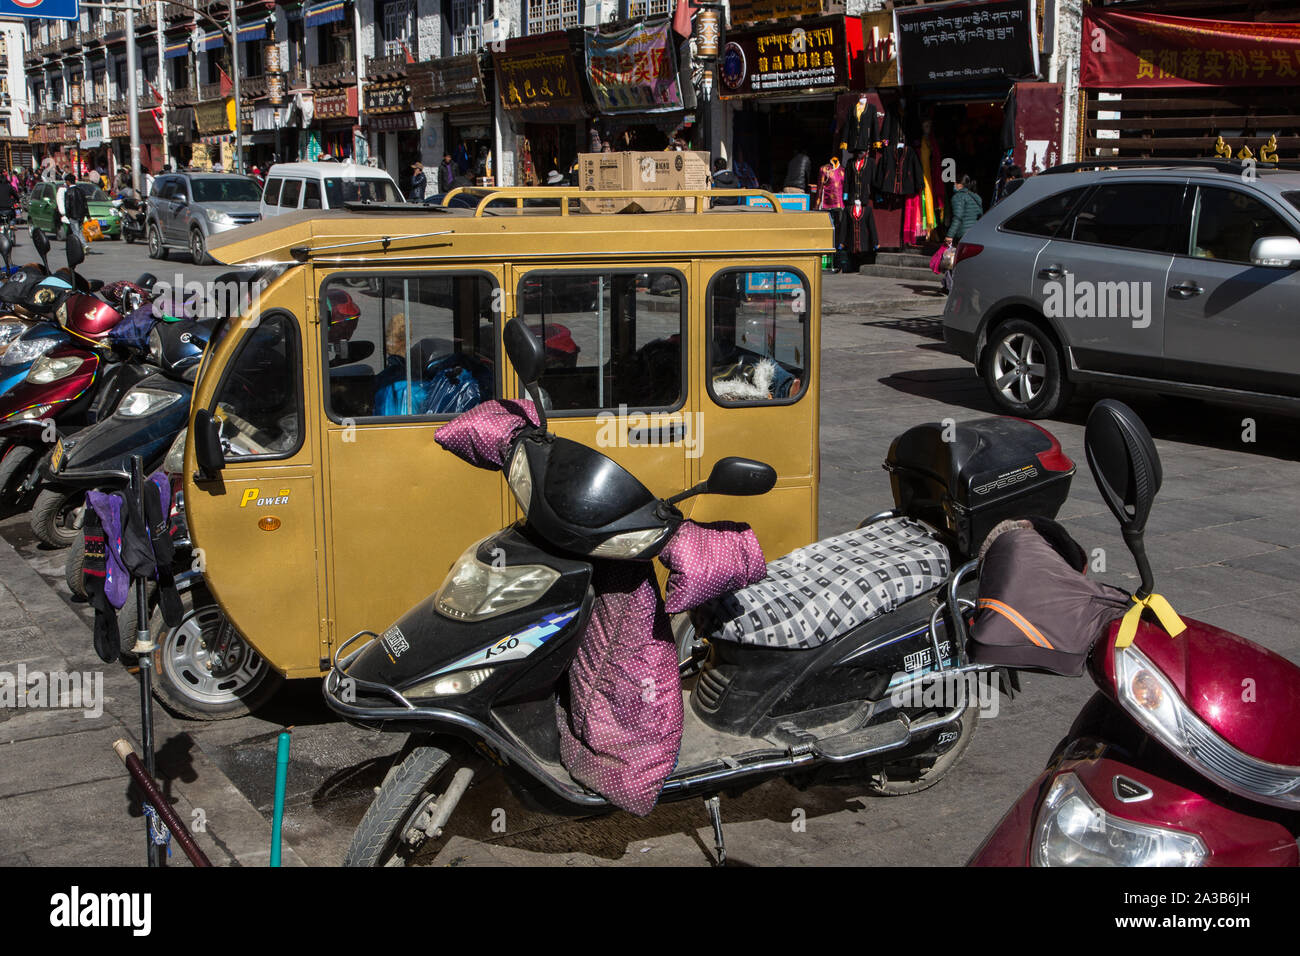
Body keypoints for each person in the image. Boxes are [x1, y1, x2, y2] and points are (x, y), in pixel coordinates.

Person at [942, 175, 984, 292]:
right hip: (975, 234)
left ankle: (951, 287)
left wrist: (950, 235)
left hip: (962, 234)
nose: (954, 186)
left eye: (955, 183)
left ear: (960, 184)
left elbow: (958, 218)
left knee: (952, 261)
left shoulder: (958, 197)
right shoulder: (976, 197)